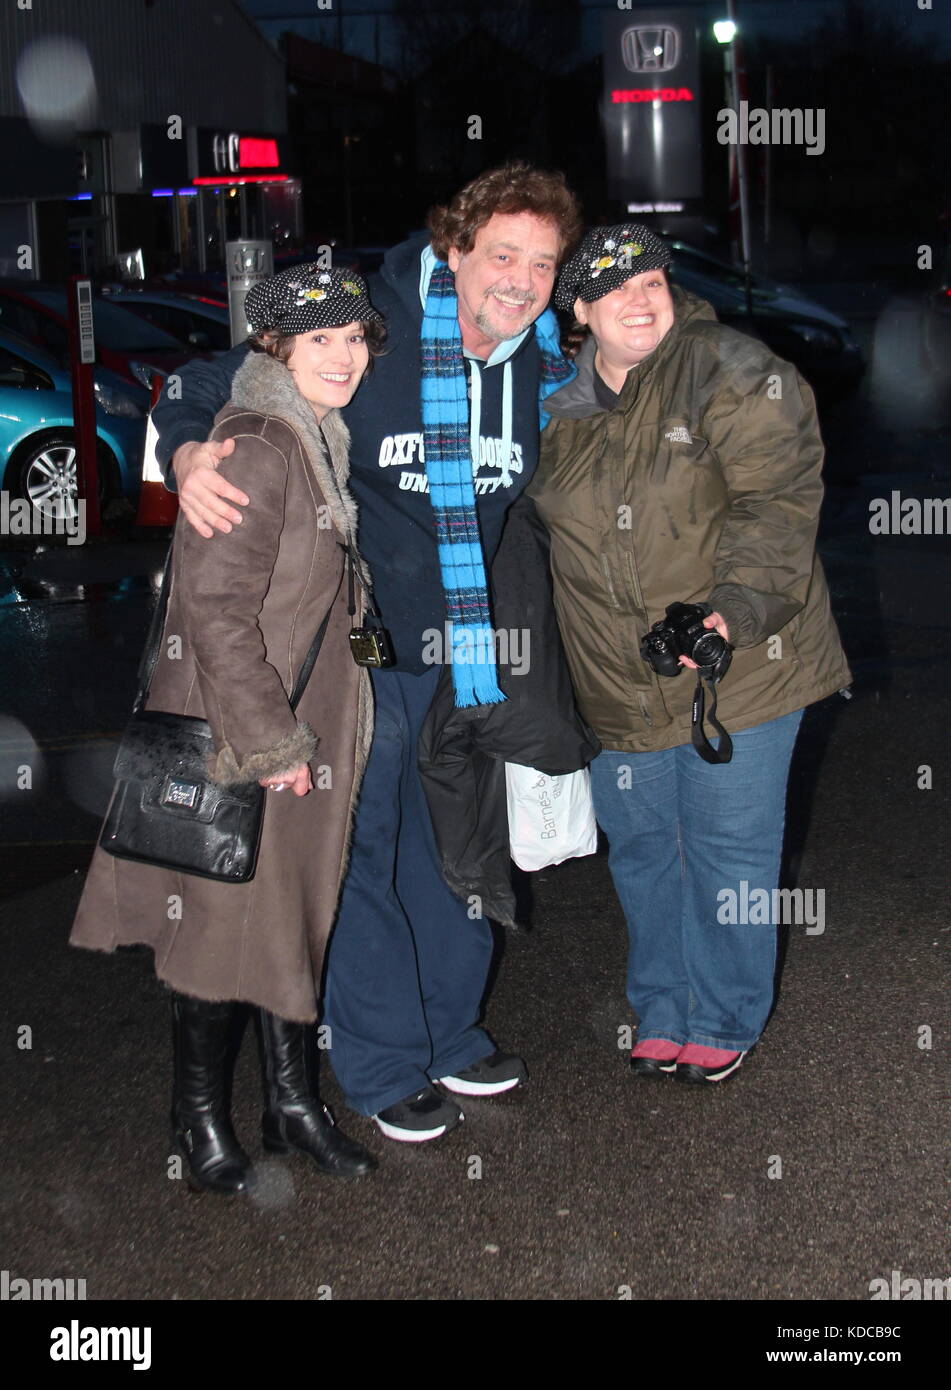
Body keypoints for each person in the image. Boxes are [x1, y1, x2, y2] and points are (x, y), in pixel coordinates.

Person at [149, 164, 584, 1140]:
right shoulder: (369, 322)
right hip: (356, 647)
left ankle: (446, 1030)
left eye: (541, 262)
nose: (519, 279)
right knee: (361, 849)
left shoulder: (542, 361)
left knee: (455, 842)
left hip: (465, 651)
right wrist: (186, 451)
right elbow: (208, 376)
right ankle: (382, 1055)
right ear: (454, 250)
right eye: (501, 254)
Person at [71, 266, 385, 1191]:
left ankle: (291, 1107)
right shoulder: (255, 443)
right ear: (274, 349)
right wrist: (272, 743)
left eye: (356, 337)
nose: (344, 356)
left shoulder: (316, 433)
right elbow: (214, 609)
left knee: (284, 916)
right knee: (215, 928)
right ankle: (197, 1121)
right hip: (242, 733)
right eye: (320, 339)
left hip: (299, 722)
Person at [528, 224, 851, 1084]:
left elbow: (777, 504)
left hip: (736, 667)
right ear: (580, 312)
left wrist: (727, 613)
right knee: (641, 852)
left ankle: (724, 1012)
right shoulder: (556, 407)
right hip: (617, 677)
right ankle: (662, 1006)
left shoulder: (730, 369)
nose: (639, 298)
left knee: (728, 848)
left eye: (651, 281)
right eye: (613, 288)